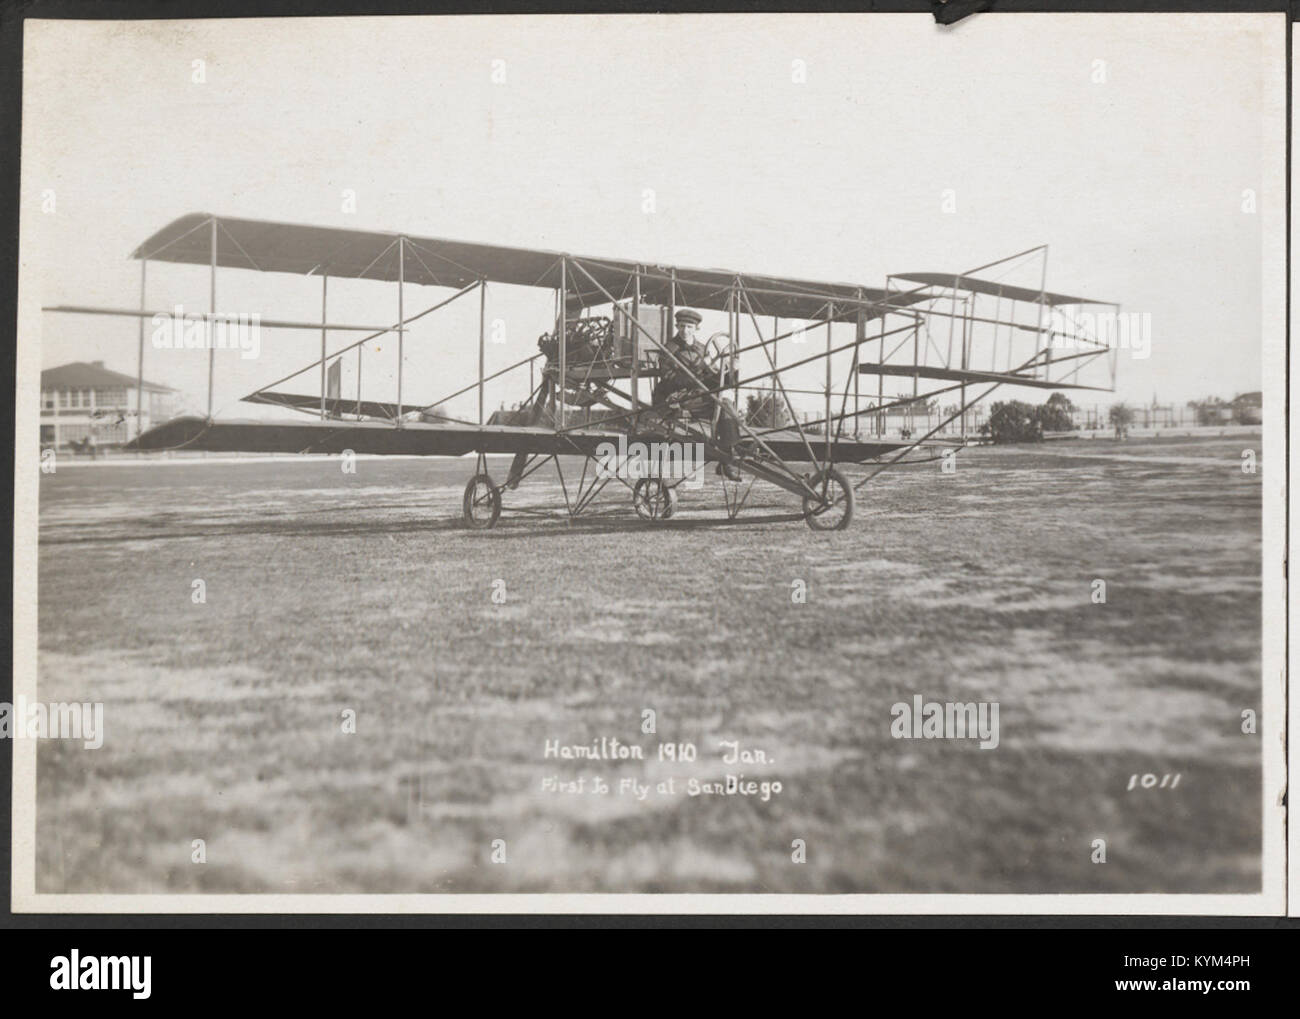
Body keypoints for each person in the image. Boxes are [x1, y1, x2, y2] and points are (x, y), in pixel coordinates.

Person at [652, 308, 742, 481]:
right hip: (674, 397)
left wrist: (730, 370)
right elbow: (670, 379)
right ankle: (728, 457)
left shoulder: (702, 348)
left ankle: (728, 454)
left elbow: (712, 378)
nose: (685, 330)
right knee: (721, 402)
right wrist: (700, 367)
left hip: (697, 396)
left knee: (725, 401)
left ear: (696, 329)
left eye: (689, 327)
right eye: (682, 326)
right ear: (677, 326)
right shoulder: (668, 349)